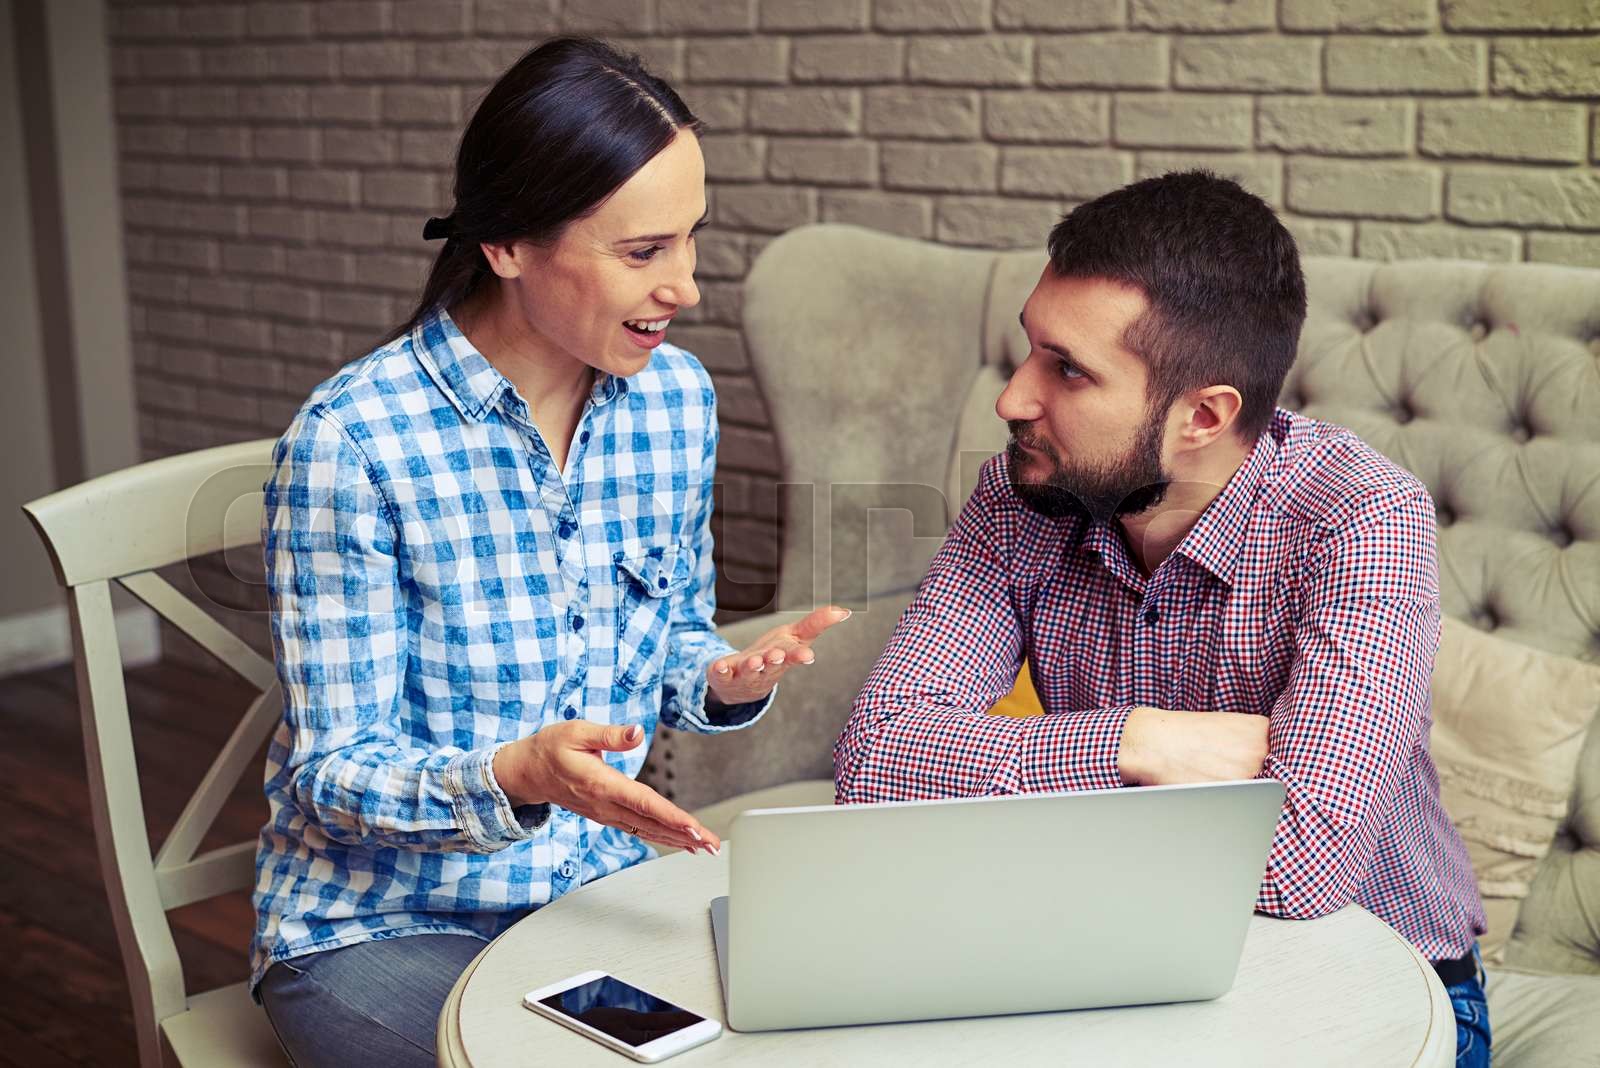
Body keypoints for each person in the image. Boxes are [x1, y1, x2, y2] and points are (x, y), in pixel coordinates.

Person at [253, 37, 847, 1067]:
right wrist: (516, 775)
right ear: (507, 245)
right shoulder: (355, 442)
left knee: (789, 1039)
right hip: (378, 926)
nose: (688, 288)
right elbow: (329, 774)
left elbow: (661, 641)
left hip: (590, 900)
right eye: (642, 252)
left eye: (689, 242)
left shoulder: (673, 400)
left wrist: (715, 672)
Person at [834, 171, 1490, 1067]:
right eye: (1032, 349)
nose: (1014, 398)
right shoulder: (1019, 494)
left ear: (1202, 417)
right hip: (1100, 958)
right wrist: (1140, 744)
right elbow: (874, 759)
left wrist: (1001, 774)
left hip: (1370, 981)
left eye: (1068, 369)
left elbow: (1300, 862)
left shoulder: (1362, 517)